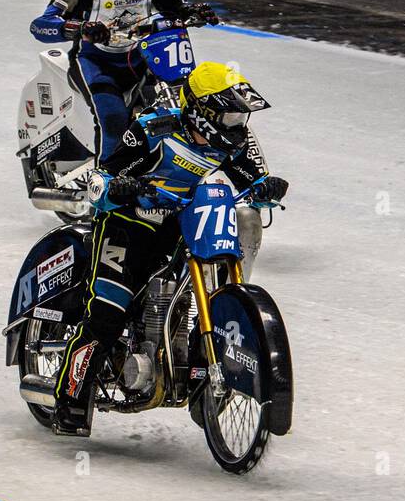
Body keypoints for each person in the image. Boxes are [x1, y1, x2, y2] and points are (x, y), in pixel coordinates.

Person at [52, 62, 288, 436]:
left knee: (193, 300)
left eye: (240, 117)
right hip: (127, 227)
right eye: (229, 115)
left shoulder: (230, 144)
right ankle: (71, 398)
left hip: (178, 230)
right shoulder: (153, 128)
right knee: (108, 313)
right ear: (203, 112)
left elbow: (251, 178)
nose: (237, 126)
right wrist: (119, 187)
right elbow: (103, 175)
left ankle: (198, 376)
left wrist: (266, 187)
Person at [29, 0, 219, 161]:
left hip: (145, 56)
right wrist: (81, 28)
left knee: (179, 110)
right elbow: (41, 25)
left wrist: (192, 11)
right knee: (113, 121)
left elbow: (172, 3)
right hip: (96, 63)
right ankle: (106, 187)